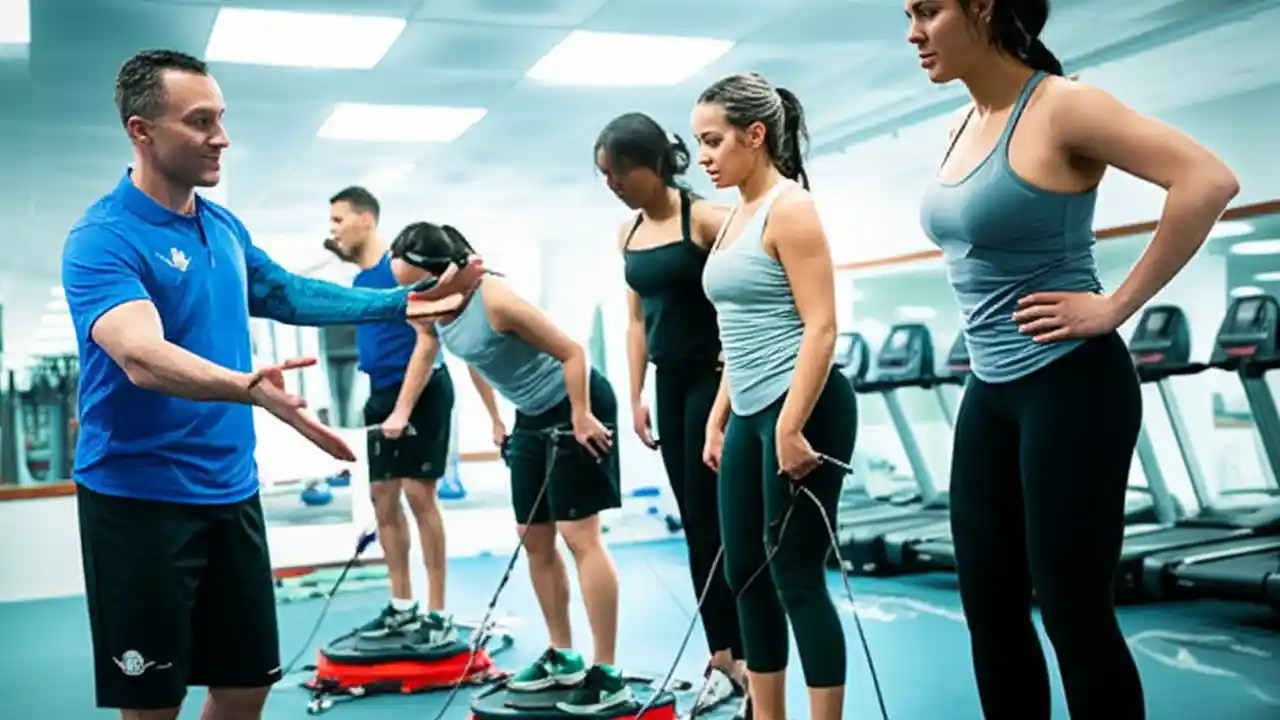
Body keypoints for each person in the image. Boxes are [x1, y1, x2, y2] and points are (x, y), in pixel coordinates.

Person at [61, 49, 482, 720]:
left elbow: (286, 292)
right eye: (199, 121)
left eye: (220, 118)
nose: (221, 137)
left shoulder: (222, 227)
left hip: (230, 489)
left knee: (245, 685)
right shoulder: (103, 238)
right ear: (141, 131)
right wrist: (245, 386)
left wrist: (401, 303)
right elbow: (140, 355)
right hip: (138, 499)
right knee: (153, 704)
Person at [906, 1, 1240, 718]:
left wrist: (1117, 304)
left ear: (983, 8)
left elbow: (1207, 180)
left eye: (927, 10)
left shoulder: (1061, 107)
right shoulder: (959, 124)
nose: (913, 32)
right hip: (989, 391)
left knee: (1073, 616)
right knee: (990, 615)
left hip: (1071, 386)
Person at [390, 222, 633, 715]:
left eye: (418, 283)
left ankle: (607, 671)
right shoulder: (441, 307)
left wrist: (583, 414)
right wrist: (496, 417)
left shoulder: (494, 297)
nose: (413, 294)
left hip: (574, 400)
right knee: (533, 535)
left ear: (448, 269)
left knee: (579, 533)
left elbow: (572, 351)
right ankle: (563, 655)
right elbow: (471, 357)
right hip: (528, 415)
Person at [692, 73, 857, 720]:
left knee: (795, 576)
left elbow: (821, 325)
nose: (702, 155)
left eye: (712, 140)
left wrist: (790, 427)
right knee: (745, 577)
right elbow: (742, 332)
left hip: (807, 406)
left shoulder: (791, 208)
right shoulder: (734, 214)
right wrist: (717, 419)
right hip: (750, 412)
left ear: (754, 135)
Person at [593, 112, 748, 713]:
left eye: (620, 171)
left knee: (728, 524)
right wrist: (634, 396)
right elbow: (635, 321)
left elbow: (740, 309)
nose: (612, 183)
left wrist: (728, 397)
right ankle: (722, 658)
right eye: (604, 174)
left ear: (655, 163)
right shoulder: (627, 234)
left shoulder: (707, 220)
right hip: (669, 387)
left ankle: (753, 654)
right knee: (696, 527)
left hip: (716, 385)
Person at [326, 185, 506, 643]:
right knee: (382, 498)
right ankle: (402, 605)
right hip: (380, 394)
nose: (332, 230)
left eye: (338, 220)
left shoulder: (411, 270)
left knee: (419, 496)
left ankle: (438, 612)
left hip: (424, 392)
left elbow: (458, 344)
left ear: (366, 219)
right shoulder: (361, 282)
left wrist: (495, 417)